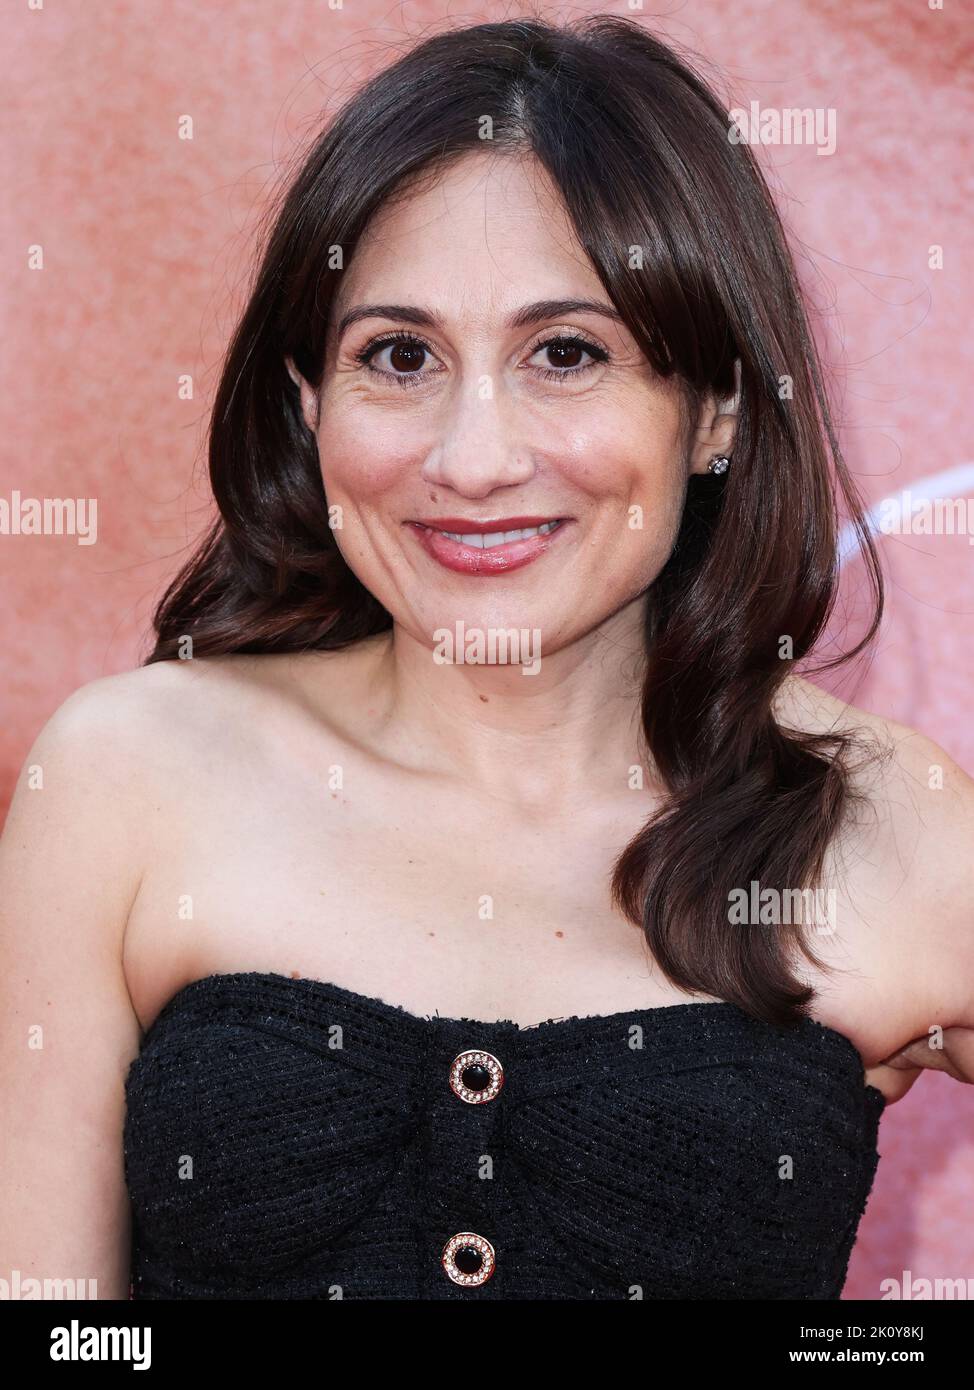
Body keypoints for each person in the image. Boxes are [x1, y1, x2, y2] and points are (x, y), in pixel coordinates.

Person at [2, 15, 972, 1301]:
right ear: (308, 404)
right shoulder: (128, 778)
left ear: (716, 411)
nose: (469, 459)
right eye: (398, 358)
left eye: (563, 355)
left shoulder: (886, 825)